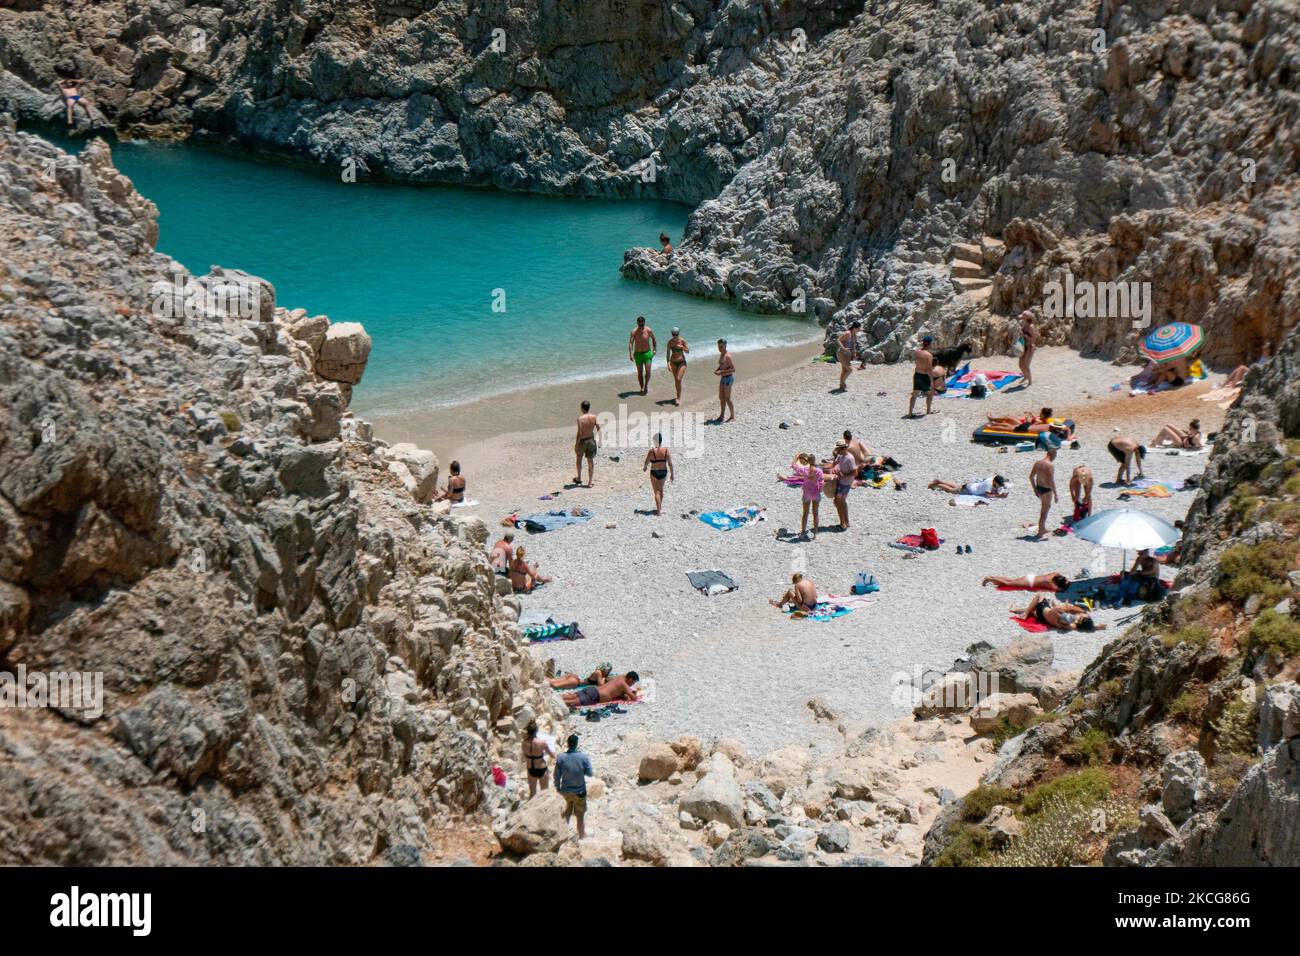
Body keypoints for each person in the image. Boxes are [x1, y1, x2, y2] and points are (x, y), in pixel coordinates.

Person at [553, 734, 594, 840]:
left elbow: (556, 775)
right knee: (580, 816)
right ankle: (581, 835)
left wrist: (558, 788)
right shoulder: (583, 757)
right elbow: (590, 773)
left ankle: (563, 837)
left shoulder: (561, 757)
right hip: (579, 791)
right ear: (576, 744)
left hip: (565, 791)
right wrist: (582, 770)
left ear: (567, 744)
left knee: (566, 815)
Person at [782, 452, 823, 539]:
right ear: (814, 461)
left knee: (805, 513)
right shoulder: (819, 471)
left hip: (806, 493)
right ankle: (815, 533)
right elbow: (821, 482)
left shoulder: (804, 470)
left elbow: (794, 466)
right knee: (815, 514)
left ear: (807, 461)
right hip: (815, 494)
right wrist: (819, 490)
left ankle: (803, 532)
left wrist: (796, 457)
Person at [1011, 594, 1103, 632]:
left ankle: (1025, 613)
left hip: (1043, 609)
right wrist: (1095, 627)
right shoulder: (1071, 626)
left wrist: (1063, 606)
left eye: (1084, 616)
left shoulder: (1067, 618)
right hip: (1043, 618)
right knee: (1034, 610)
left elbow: (1060, 610)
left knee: (1040, 595)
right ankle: (1019, 610)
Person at [1029, 434, 1059, 539]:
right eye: (1055, 454)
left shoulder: (1038, 463)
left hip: (1039, 488)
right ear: (1052, 453)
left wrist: (1034, 490)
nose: (1056, 456)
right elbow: (1051, 481)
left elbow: (1031, 477)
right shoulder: (1050, 465)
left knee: (1045, 508)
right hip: (1047, 490)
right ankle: (1040, 532)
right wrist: (1055, 494)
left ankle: (1043, 528)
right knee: (1044, 510)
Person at [562, 672, 640, 708]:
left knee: (568, 697)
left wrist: (624, 695)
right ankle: (552, 705)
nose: (632, 684)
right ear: (630, 679)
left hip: (592, 689)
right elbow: (634, 698)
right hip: (596, 695)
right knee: (570, 702)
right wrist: (633, 693)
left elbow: (617, 691)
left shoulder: (620, 677)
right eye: (633, 682)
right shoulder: (624, 685)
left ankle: (552, 699)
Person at [522, 721, 557, 798]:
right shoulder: (542, 742)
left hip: (530, 768)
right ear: (536, 731)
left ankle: (531, 809)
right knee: (544, 793)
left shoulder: (524, 743)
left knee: (532, 793)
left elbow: (525, 756)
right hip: (541, 768)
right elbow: (552, 755)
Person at [643, 432, 674, 515]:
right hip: (663, 472)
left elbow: (646, 461)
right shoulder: (666, 450)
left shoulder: (652, 451)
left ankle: (658, 511)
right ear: (661, 440)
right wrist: (672, 474)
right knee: (661, 490)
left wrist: (645, 467)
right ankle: (659, 507)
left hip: (654, 472)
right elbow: (670, 463)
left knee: (657, 492)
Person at [573, 399, 601, 487]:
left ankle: (579, 478)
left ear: (582, 408)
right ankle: (590, 482)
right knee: (590, 461)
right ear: (589, 408)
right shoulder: (594, 417)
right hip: (591, 440)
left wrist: (576, 444)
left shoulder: (580, 419)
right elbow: (599, 428)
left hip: (583, 441)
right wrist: (600, 440)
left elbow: (580, 433)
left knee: (579, 459)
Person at [628, 315, 657, 395]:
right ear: (637, 323)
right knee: (639, 372)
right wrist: (630, 354)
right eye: (639, 325)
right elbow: (631, 343)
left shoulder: (648, 330)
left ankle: (646, 386)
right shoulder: (634, 332)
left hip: (647, 353)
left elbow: (654, 339)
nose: (641, 326)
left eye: (642, 325)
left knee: (648, 371)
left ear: (644, 323)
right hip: (638, 354)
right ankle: (642, 387)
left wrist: (654, 350)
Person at [908, 336, 935, 417]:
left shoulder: (917, 352)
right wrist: (932, 381)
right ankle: (928, 410)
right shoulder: (929, 355)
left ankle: (910, 413)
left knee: (914, 394)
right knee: (930, 393)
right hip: (924, 376)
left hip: (917, 375)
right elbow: (929, 369)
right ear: (930, 344)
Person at [831, 440, 856, 530]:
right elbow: (835, 463)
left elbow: (855, 472)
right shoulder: (840, 455)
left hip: (845, 483)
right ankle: (846, 522)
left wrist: (844, 475)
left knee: (838, 503)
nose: (836, 450)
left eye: (838, 448)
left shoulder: (850, 458)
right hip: (841, 482)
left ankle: (843, 524)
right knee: (842, 502)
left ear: (843, 448)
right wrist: (834, 468)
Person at [929, 474, 1009, 497]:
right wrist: (998, 495)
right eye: (999, 484)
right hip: (970, 489)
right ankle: (937, 485)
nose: (999, 486)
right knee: (952, 490)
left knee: (956, 486)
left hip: (970, 485)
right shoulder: (989, 484)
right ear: (995, 481)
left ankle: (939, 481)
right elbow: (988, 494)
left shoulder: (991, 479)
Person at [713, 339, 735, 422]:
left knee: (727, 398)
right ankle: (722, 416)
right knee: (721, 398)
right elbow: (722, 366)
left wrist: (721, 372)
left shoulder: (728, 356)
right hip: (723, 378)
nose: (719, 348)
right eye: (718, 346)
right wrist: (717, 370)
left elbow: (733, 369)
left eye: (721, 346)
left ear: (725, 346)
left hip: (728, 378)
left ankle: (732, 416)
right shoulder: (722, 354)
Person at [665, 327, 689, 405]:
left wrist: (682, 347)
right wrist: (668, 364)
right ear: (672, 334)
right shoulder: (670, 342)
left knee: (678, 379)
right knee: (676, 380)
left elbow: (688, 351)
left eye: (676, 334)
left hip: (682, 362)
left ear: (678, 333)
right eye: (673, 334)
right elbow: (668, 354)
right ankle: (678, 396)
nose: (675, 336)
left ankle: (678, 398)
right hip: (673, 362)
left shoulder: (682, 341)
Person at [835, 321, 861, 392]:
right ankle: (842, 382)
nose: (859, 330)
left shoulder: (854, 335)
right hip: (841, 353)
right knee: (850, 369)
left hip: (848, 355)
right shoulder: (847, 333)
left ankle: (841, 386)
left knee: (845, 370)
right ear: (854, 328)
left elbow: (853, 345)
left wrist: (854, 354)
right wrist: (843, 348)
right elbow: (838, 340)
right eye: (858, 328)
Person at [548, 663, 613, 690]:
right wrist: (604, 679)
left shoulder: (597, 672)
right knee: (553, 685)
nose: (608, 672)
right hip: (577, 681)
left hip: (575, 678)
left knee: (549, 681)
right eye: (608, 670)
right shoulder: (599, 673)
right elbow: (601, 686)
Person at [982, 572, 1070, 591]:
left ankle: (993, 577)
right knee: (1008, 583)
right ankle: (989, 579)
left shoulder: (1054, 574)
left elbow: (1063, 578)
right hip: (1029, 582)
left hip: (1031, 577)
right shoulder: (1050, 583)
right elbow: (1059, 589)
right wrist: (1065, 585)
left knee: (1011, 580)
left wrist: (1065, 581)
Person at [1018, 310, 1038, 387]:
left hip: (1029, 347)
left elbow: (1034, 338)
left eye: (1023, 317)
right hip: (1023, 347)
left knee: (1026, 365)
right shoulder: (1023, 324)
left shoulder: (1031, 327)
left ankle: (1030, 381)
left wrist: (1025, 335)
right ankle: (1026, 376)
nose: (1022, 318)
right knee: (1020, 365)